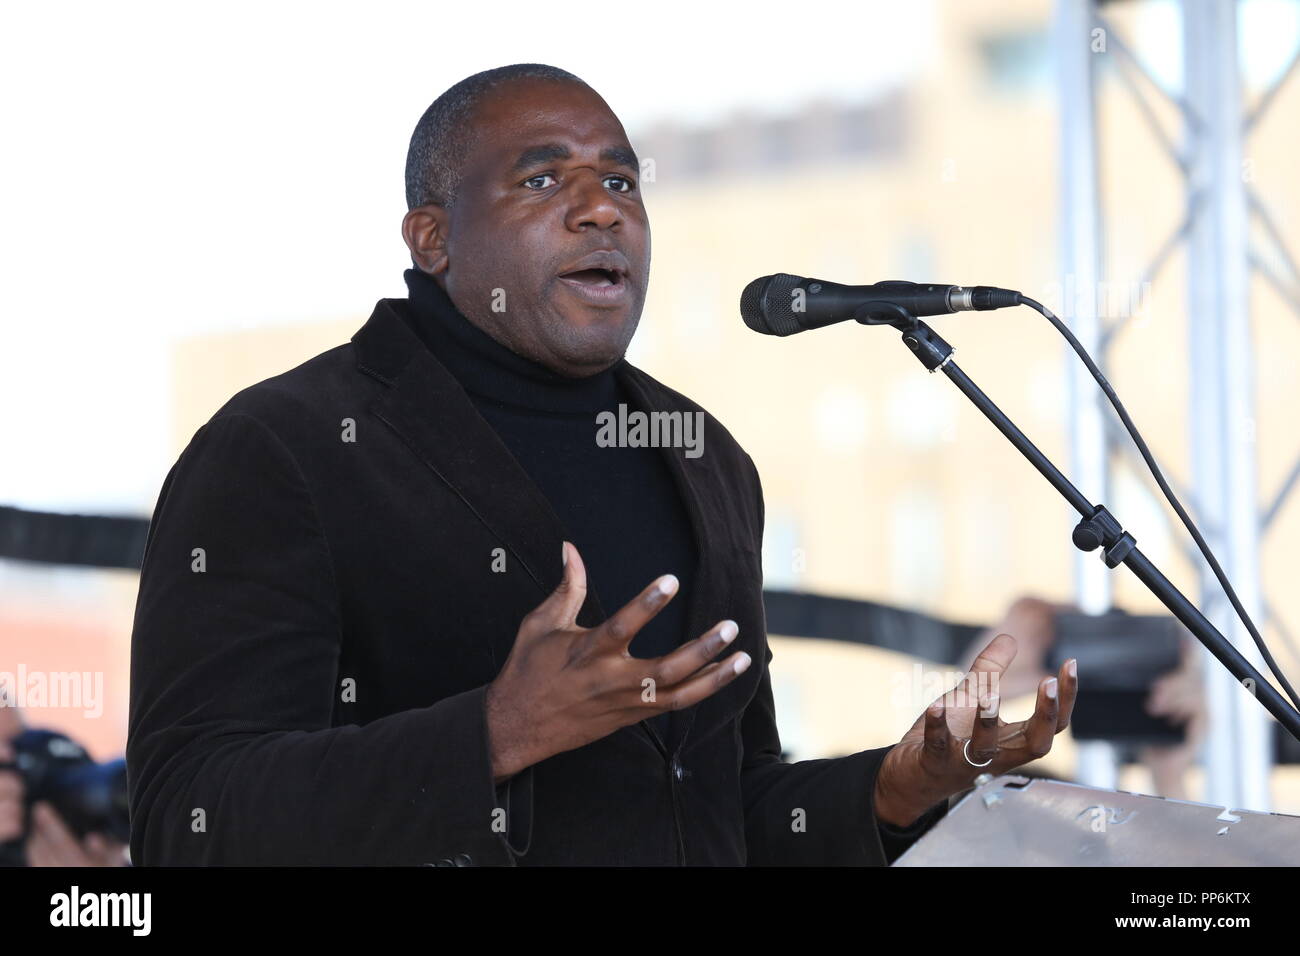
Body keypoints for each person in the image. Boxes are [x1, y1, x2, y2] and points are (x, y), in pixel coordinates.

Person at [127, 63, 1078, 866]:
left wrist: (893, 787)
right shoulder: (286, 448)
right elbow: (188, 814)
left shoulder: (700, 454)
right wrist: (495, 733)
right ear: (433, 237)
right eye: (543, 182)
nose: (600, 211)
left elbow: (719, 807)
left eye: (622, 182)